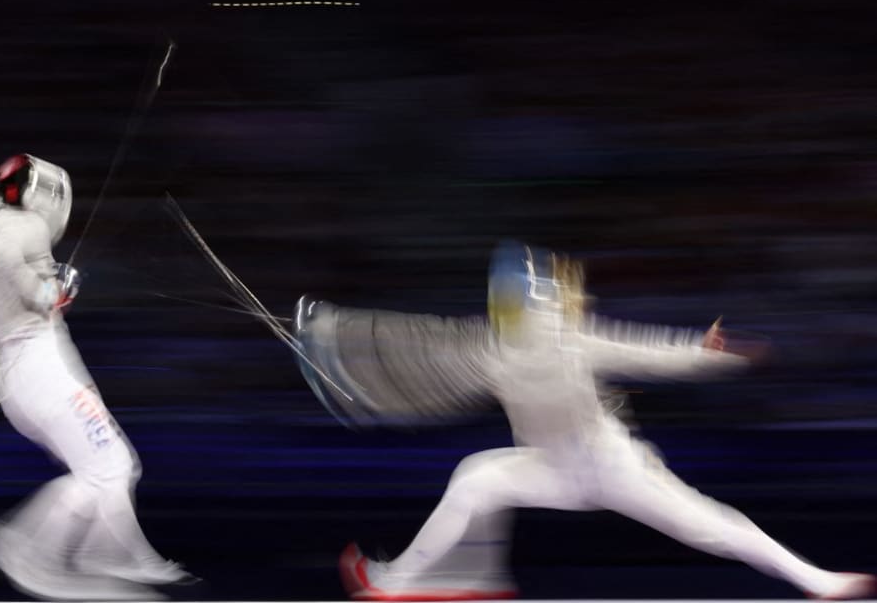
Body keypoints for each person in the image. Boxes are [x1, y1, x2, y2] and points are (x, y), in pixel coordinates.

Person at [294, 240, 875, 601]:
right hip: (553, 470)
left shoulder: (536, 342)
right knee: (477, 479)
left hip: (611, 467)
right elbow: (417, 345)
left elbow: (647, 350)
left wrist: (331, 336)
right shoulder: (499, 347)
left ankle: (819, 581)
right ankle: (405, 584)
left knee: (708, 527)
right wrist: (333, 335)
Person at [0, 154, 192, 600]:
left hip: (18, 384)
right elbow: (30, 289)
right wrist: (55, 290)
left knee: (105, 469)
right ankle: (32, 546)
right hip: (43, 370)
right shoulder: (29, 227)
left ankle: (106, 552)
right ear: (39, 193)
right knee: (112, 467)